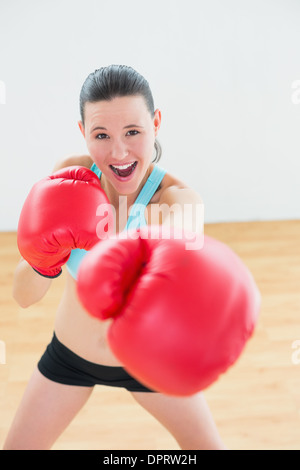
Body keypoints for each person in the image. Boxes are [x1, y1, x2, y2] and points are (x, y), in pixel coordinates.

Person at [4, 65, 226, 450]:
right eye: (101, 135)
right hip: (69, 358)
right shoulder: (71, 176)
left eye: (133, 132)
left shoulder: (177, 200)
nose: (119, 151)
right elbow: (24, 296)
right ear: (83, 132)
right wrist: (45, 256)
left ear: (156, 123)